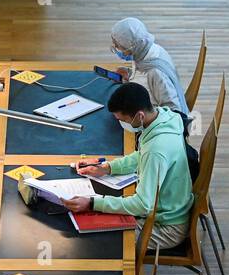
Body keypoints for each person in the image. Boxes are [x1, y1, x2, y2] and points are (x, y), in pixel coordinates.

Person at [62, 82, 194, 249]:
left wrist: (92, 203)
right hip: (169, 211)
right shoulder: (165, 118)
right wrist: (107, 168)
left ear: (139, 116)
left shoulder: (156, 151)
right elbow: (141, 155)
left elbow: (142, 205)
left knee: (99, 239)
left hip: (166, 228)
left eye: (122, 120)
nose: (120, 124)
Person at [109, 17, 192, 129]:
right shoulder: (143, 51)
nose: (116, 49)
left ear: (131, 47)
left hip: (154, 124)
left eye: (118, 46)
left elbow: (174, 112)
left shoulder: (156, 73)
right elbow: (145, 81)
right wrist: (129, 74)